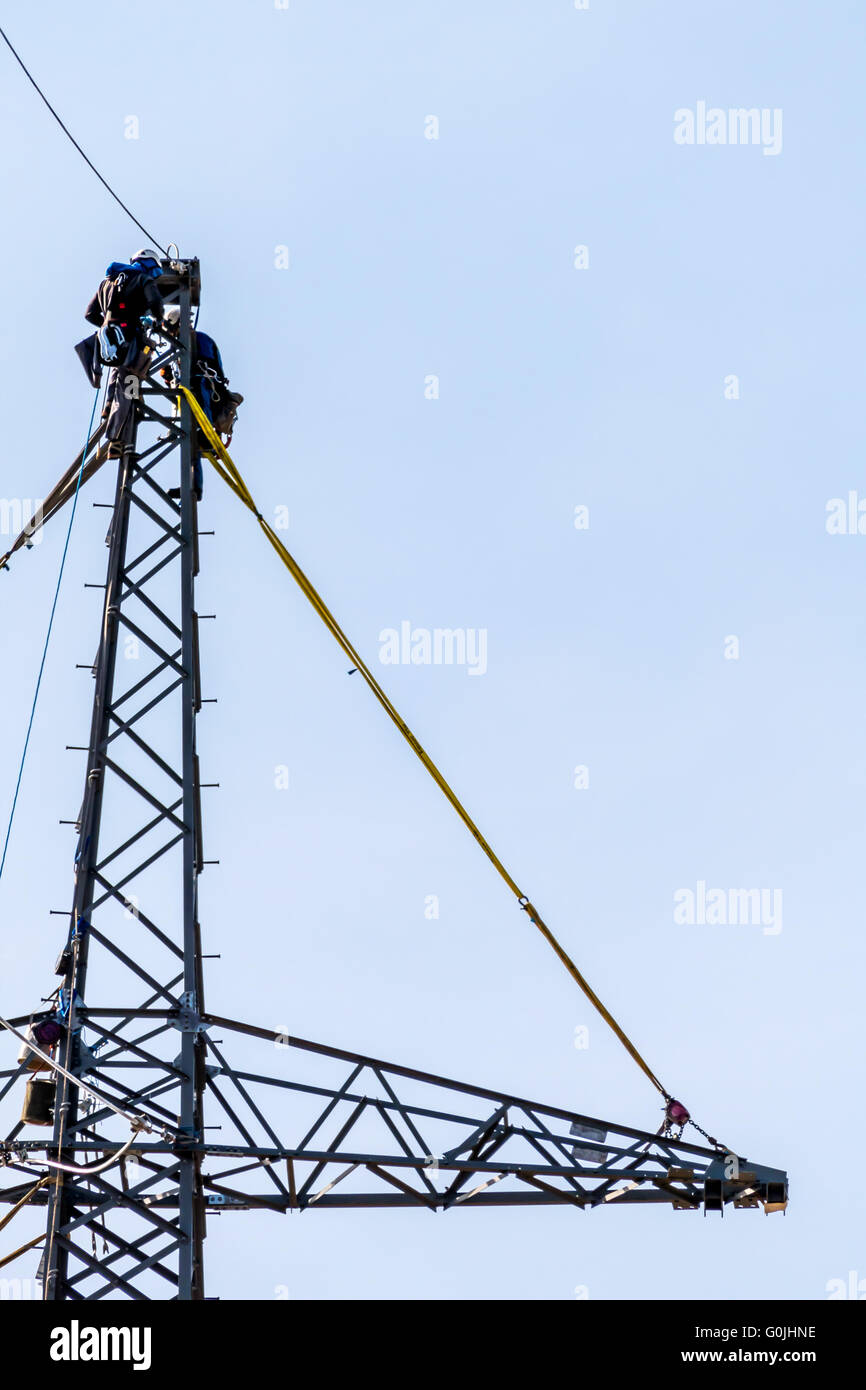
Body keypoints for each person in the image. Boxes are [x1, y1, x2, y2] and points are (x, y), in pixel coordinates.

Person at [83, 251, 164, 458]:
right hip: (131, 343)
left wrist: (108, 325)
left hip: (109, 342)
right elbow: (156, 303)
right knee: (129, 386)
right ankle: (116, 438)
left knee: (118, 374)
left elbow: (89, 314)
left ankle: (109, 407)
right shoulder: (143, 279)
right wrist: (157, 321)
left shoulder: (107, 282)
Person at [160, 307, 243, 500]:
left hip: (202, 391)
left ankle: (193, 486)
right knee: (192, 444)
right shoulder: (193, 341)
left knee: (191, 435)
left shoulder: (191, 341)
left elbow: (170, 371)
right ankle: (193, 488)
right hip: (202, 394)